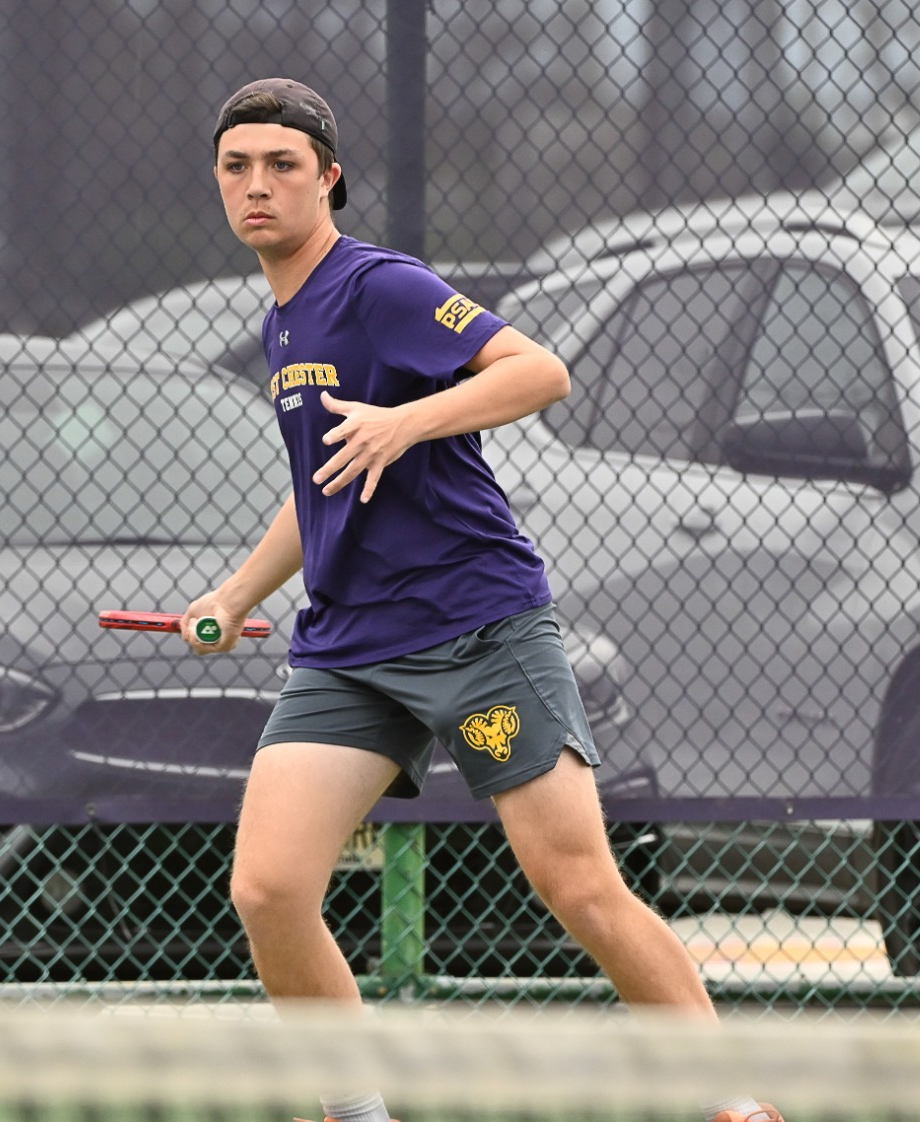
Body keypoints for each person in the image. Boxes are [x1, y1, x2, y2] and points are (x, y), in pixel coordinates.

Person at [184, 78, 782, 1122]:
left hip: (477, 629)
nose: (257, 187)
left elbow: (538, 371)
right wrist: (235, 593)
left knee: (578, 888)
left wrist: (403, 424)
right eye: (237, 168)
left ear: (327, 177)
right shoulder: (282, 320)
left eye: (281, 165)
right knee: (268, 890)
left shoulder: (380, 287)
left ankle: (728, 1104)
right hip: (346, 650)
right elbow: (319, 477)